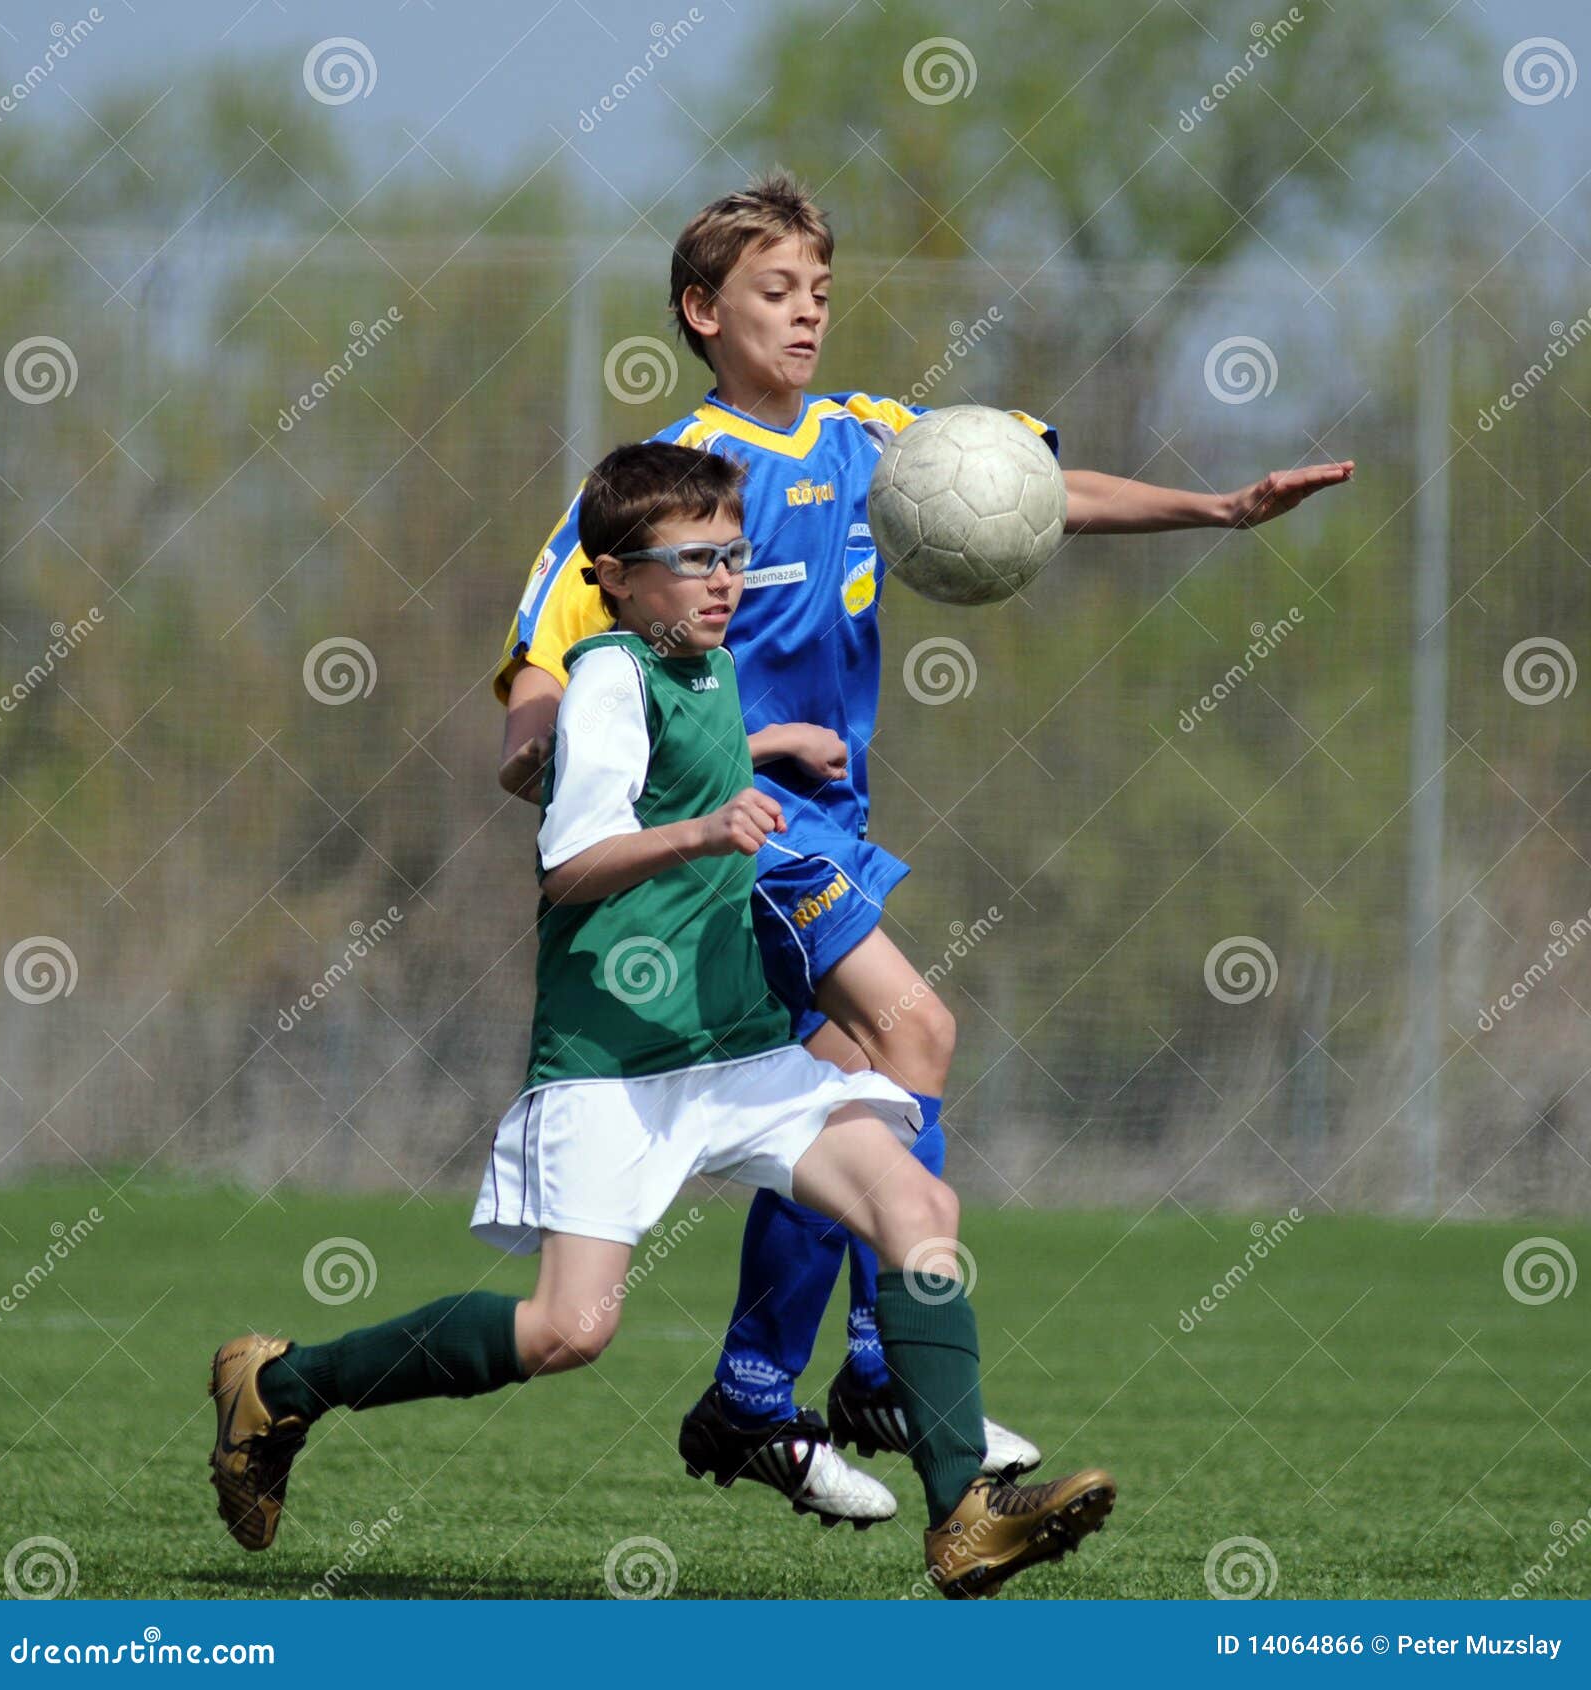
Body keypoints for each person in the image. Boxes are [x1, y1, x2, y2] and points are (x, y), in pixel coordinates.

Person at [493, 172, 1353, 1524]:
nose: (808, 313)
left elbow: (1031, 490)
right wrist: (543, 740)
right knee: (918, 1033)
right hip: (746, 846)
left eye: (822, 291)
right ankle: (882, 1373)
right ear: (702, 310)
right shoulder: (675, 488)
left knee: (853, 1103)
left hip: (830, 827)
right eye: (778, 291)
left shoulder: (877, 438)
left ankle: (752, 1393)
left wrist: (1218, 510)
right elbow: (550, 636)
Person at [208, 441, 1115, 1599]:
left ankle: (964, 1517)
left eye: (733, 554)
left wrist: (766, 748)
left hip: (734, 1053)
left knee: (913, 1199)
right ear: (619, 578)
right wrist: (704, 831)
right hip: (613, 1067)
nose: (726, 577)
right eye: (695, 560)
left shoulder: (710, 671)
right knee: (567, 1330)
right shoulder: (604, 678)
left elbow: (689, 763)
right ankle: (282, 1386)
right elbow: (573, 861)